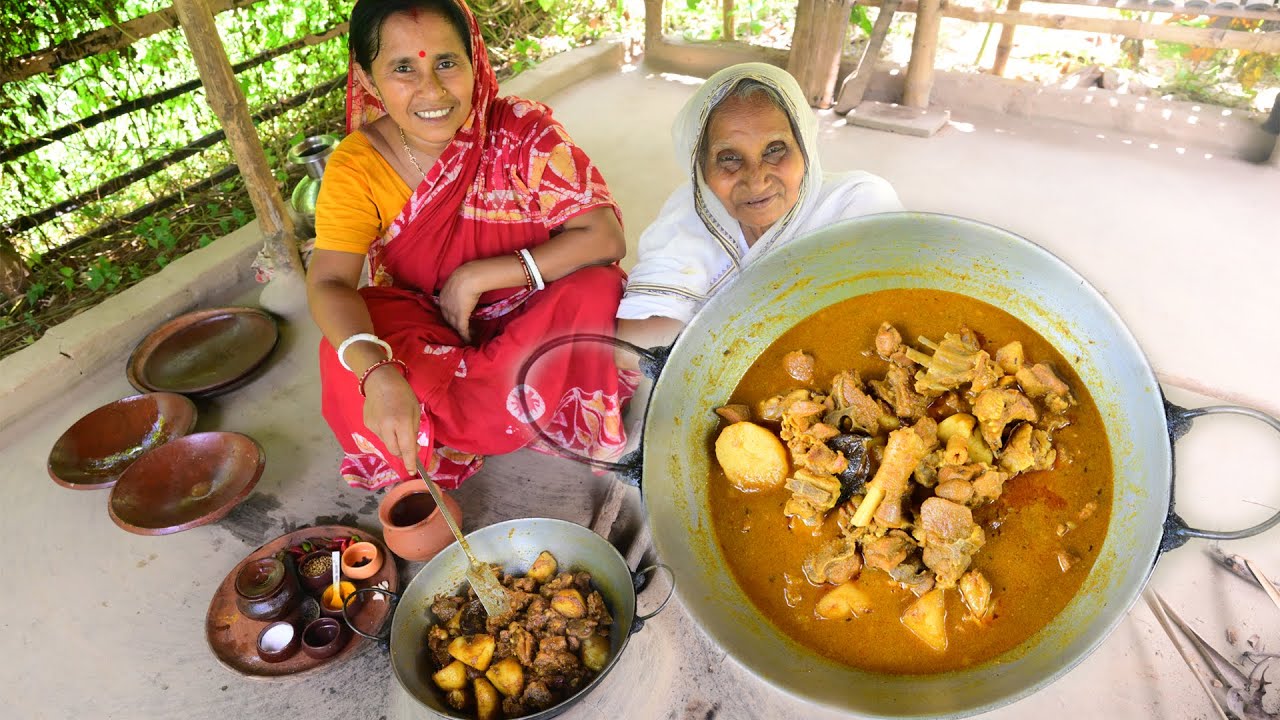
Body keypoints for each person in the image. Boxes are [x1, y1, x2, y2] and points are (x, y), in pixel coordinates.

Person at [307, 0, 632, 491]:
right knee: (345, 349)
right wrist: (377, 373)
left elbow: (603, 237)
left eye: (446, 63)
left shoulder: (523, 132)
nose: (431, 90)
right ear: (369, 81)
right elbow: (331, 282)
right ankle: (505, 405)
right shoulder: (357, 165)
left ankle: (493, 413)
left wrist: (479, 275)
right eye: (402, 68)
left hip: (532, 304)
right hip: (430, 320)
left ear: (474, 62)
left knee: (597, 287)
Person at [616, 63, 903, 350]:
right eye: (728, 158)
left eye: (775, 149)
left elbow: (889, 321)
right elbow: (635, 347)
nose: (756, 180)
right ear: (701, 170)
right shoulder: (689, 217)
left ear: (805, 149)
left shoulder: (858, 203)